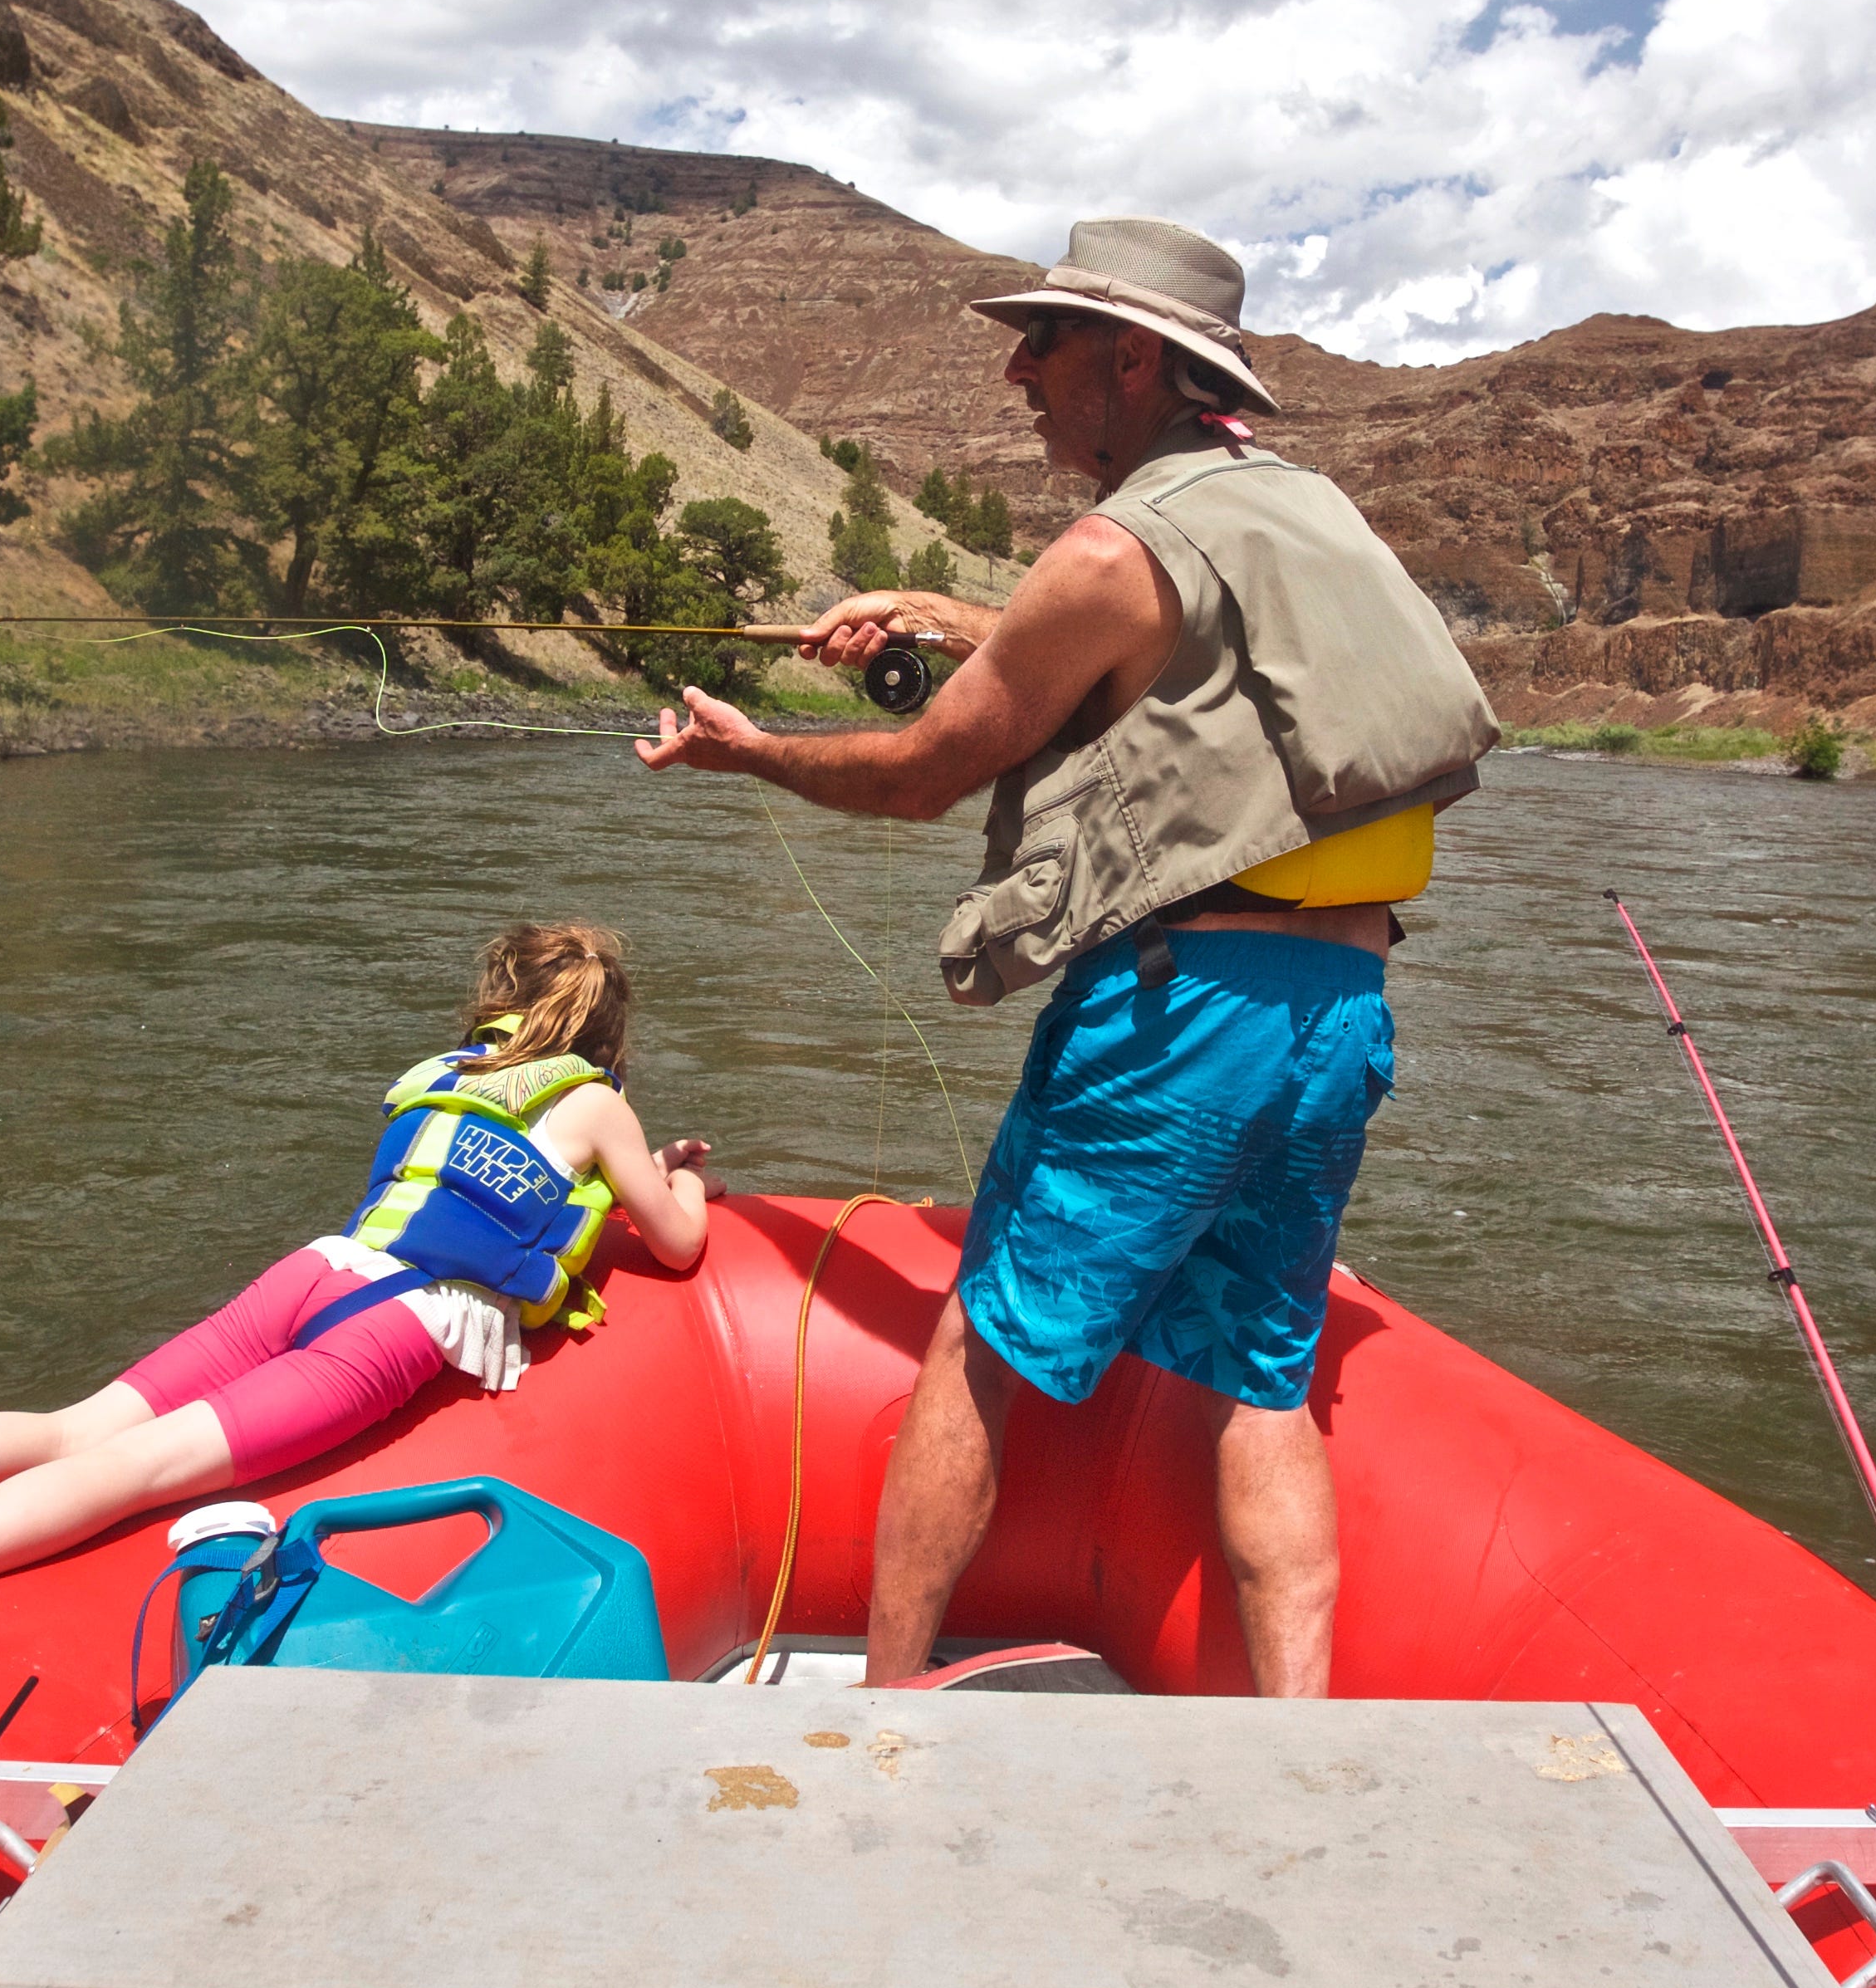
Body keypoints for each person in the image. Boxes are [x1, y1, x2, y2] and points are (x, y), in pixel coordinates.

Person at [637, 218, 1494, 1697]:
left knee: (982, 1348)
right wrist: (945, 614)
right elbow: (1176, 645)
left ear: (1134, 359)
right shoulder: (1305, 511)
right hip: (1340, 1011)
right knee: (1264, 1381)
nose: (1018, 373)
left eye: (1043, 343)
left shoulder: (1106, 549)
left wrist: (753, 754)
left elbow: (918, 774)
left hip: (1184, 1018)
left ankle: (887, 1720)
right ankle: (1300, 1757)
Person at [0, 921, 713, 1708]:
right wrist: (679, 1181)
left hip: (315, 1271)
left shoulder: (438, 1069)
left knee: (74, 1424)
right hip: (401, 1324)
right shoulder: (597, 1100)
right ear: (607, 1034)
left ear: (499, 1002)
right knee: (138, 1472)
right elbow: (674, 1240)